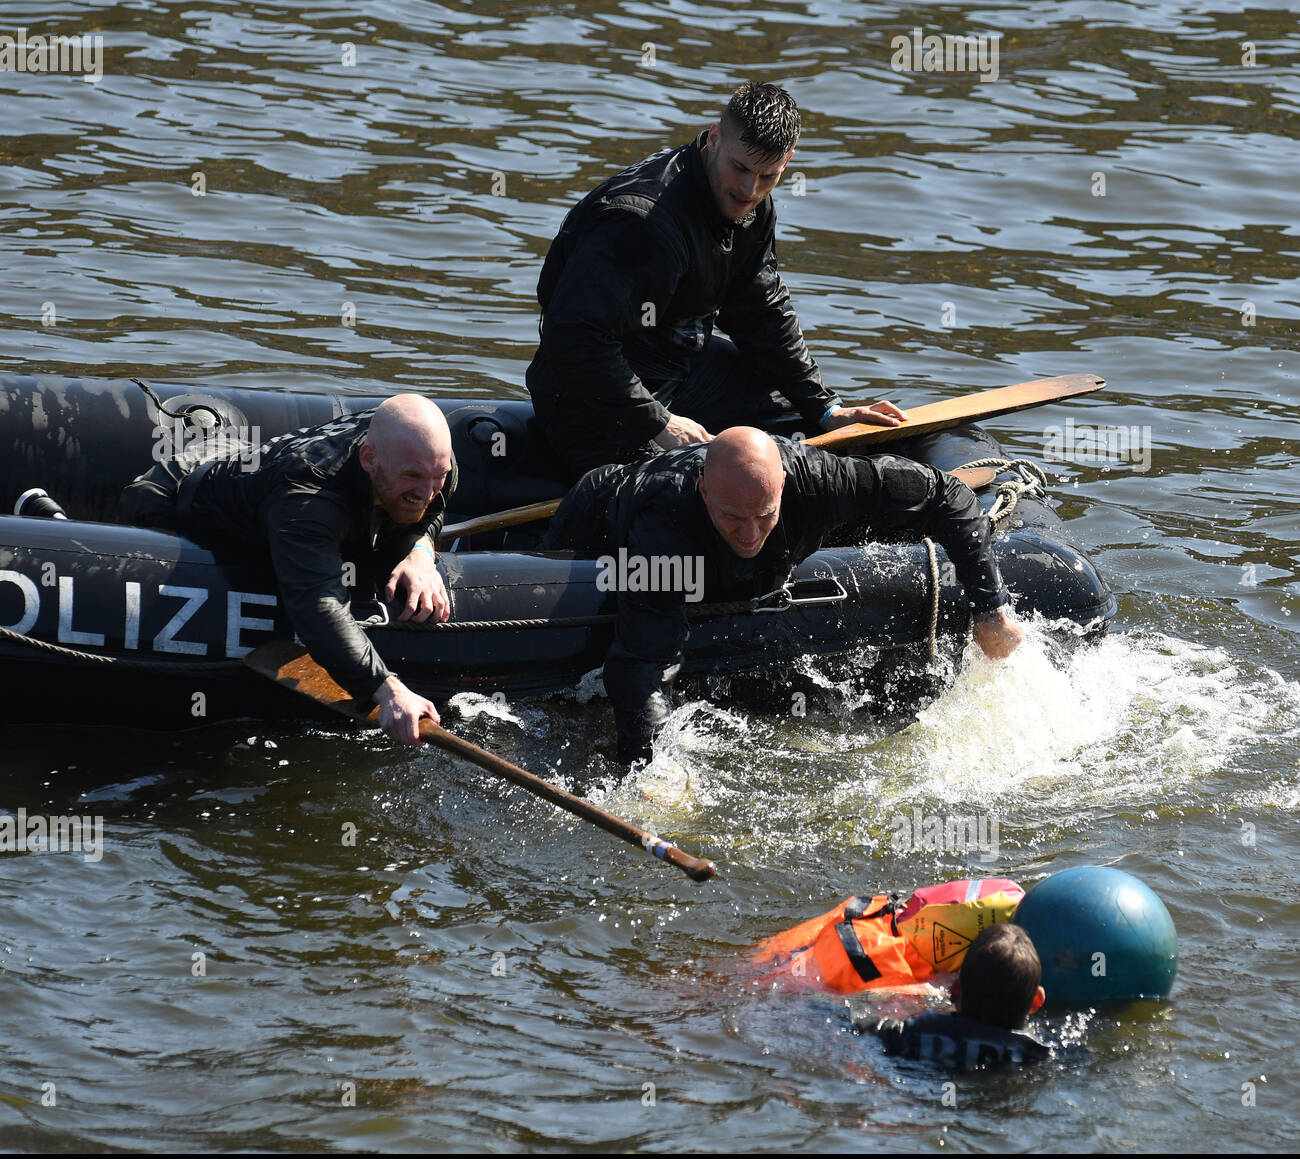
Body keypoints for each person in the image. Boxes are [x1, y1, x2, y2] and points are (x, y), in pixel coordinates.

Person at [542, 425, 1023, 765]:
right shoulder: (666, 525)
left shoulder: (824, 479)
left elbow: (947, 495)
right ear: (707, 494)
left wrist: (990, 607)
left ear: (785, 489)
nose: (750, 533)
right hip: (599, 506)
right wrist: (651, 767)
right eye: (734, 517)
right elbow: (643, 659)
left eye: (764, 514)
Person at [526, 81, 908, 479]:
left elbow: (762, 311)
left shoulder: (752, 205)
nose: (750, 190)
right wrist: (660, 423)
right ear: (713, 138)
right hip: (588, 396)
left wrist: (826, 409)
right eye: (740, 168)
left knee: (799, 414)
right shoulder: (639, 221)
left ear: (787, 161)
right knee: (683, 490)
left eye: (768, 176)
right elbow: (573, 337)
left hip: (683, 366)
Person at [120, 394, 454, 744]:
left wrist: (420, 550)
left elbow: (431, 507)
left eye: (439, 477)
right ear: (370, 458)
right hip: (177, 494)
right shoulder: (308, 495)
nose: (428, 492)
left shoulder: (429, 457)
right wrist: (387, 692)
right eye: (413, 477)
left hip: (252, 462)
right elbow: (318, 604)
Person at [860, 923, 1049, 1070]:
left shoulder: (915, 1030)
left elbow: (857, 1026)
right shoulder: (1036, 1052)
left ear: (954, 989)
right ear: (1036, 1001)